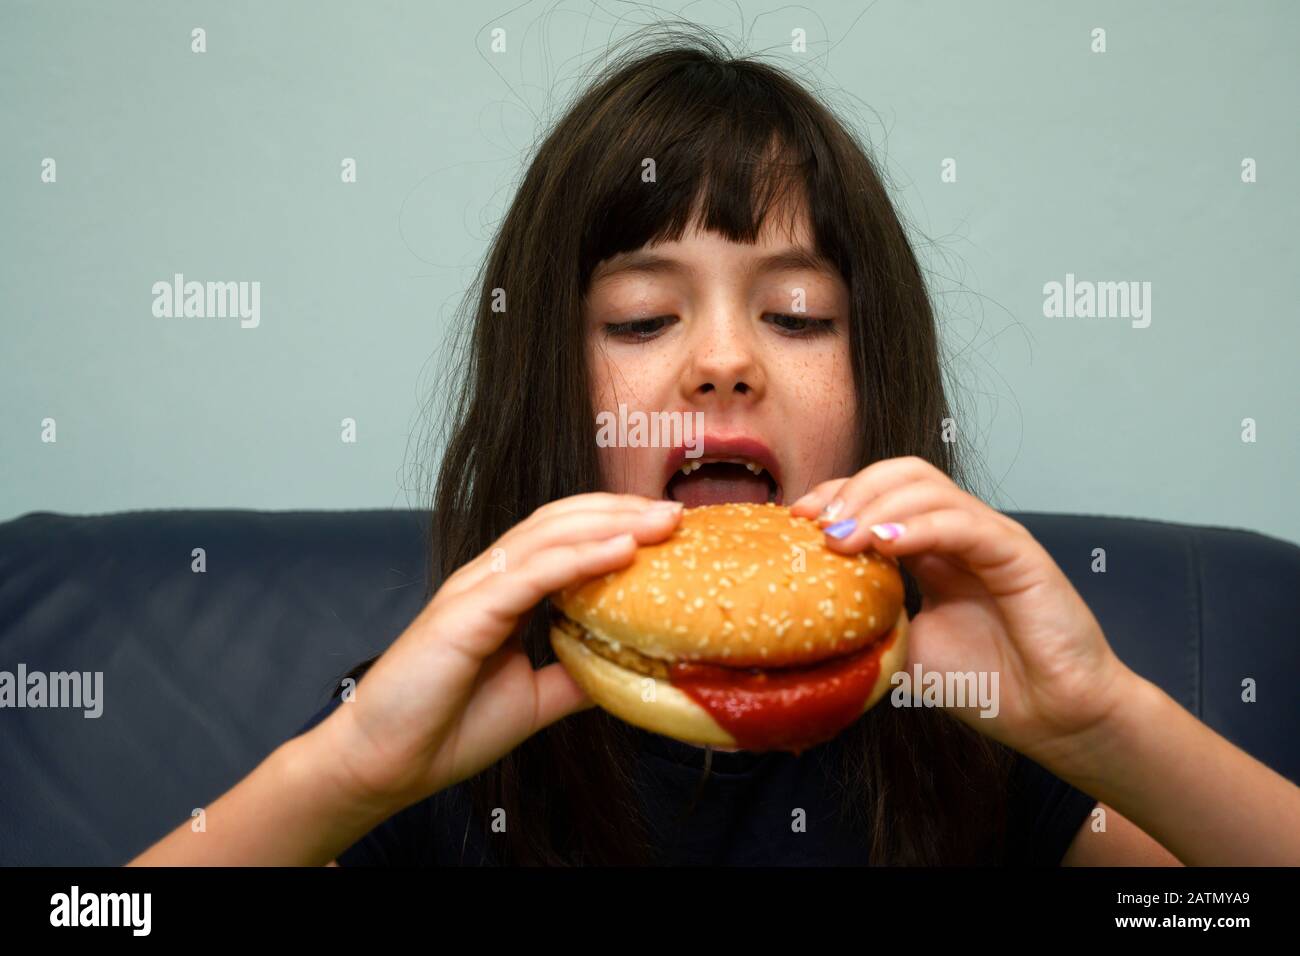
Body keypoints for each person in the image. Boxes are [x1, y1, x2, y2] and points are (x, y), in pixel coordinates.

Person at [129, 30, 1300, 867]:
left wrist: (1101, 722)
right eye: (642, 319)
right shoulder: (439, 733)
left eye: (795, 315)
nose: (724, 362)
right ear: (551, 391)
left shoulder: (964, 729)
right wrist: (347, 772)